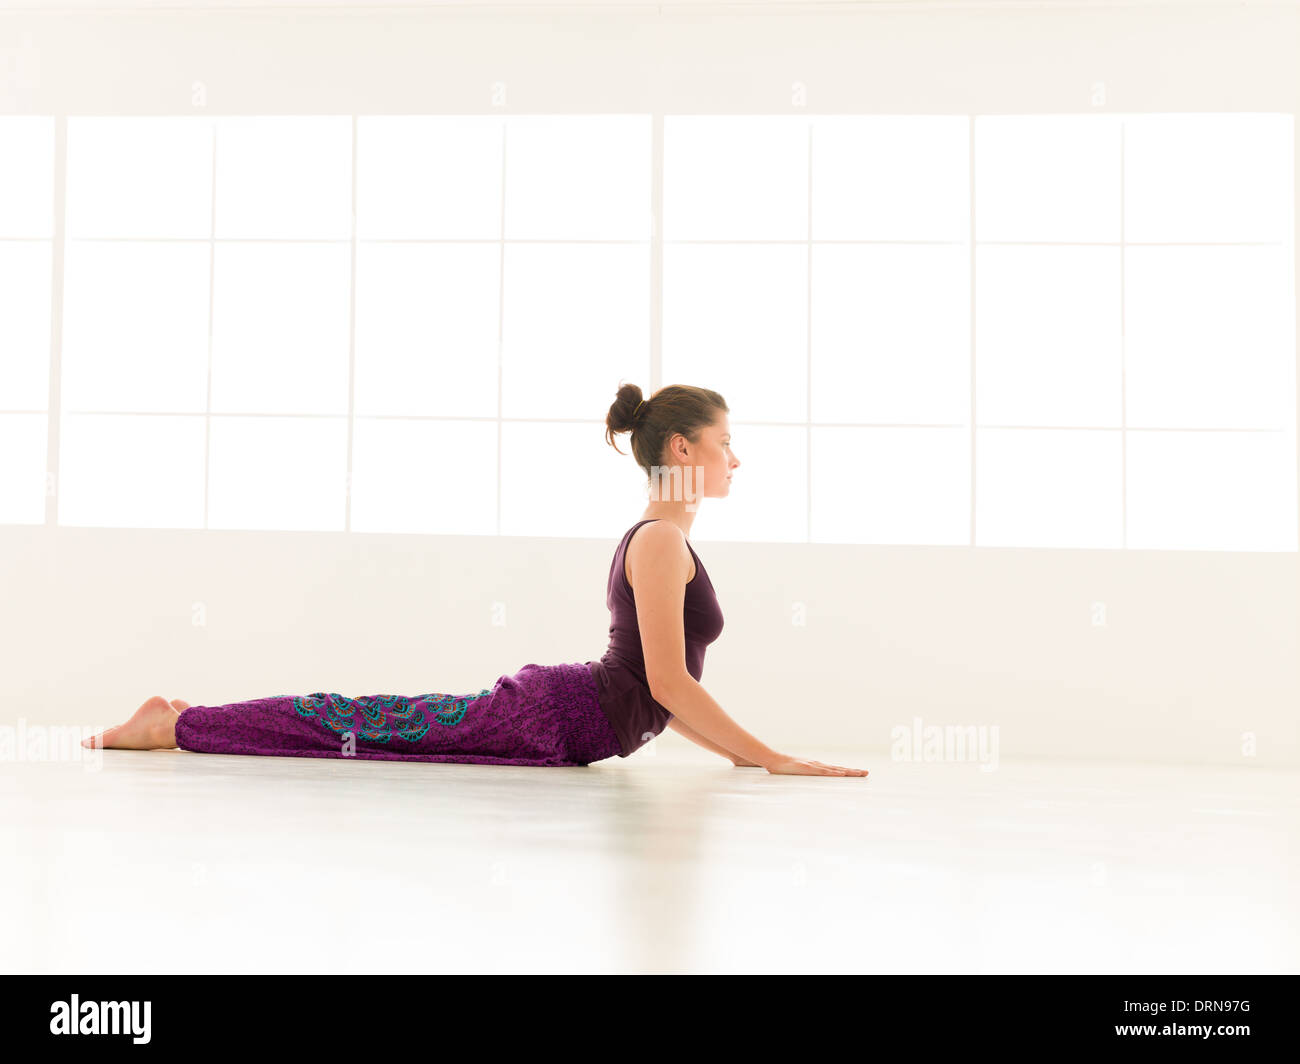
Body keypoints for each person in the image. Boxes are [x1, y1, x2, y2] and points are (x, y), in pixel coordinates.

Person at [83, 382, 867, 778]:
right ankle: (177, 724)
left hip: (562, 721)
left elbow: (661, 692)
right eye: (726, 441)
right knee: (362, 727)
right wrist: (771, 757)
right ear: (685, 452)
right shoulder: (661, 542)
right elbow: (668, 680)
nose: (738, 457)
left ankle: (188, 718)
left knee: (369, 726)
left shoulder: (667, 541)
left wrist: (740, 756)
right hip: (550, 719)